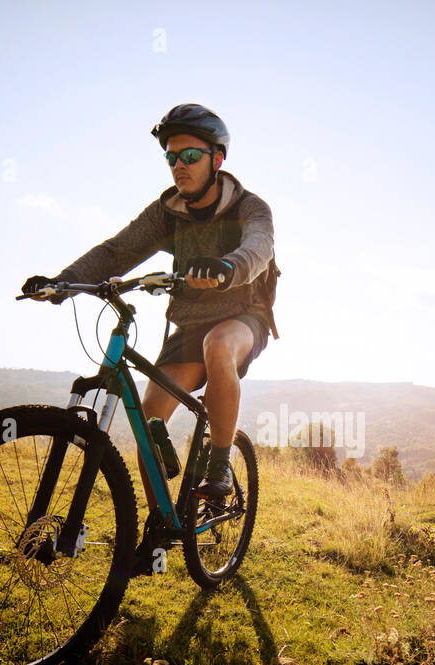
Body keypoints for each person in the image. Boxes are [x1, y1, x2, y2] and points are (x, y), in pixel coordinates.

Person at [21, 103, 278, 573]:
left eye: (190, 156)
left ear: (217, 159)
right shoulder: (169, 213)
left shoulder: (248, 207)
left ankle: (219, 466)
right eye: (171, 157)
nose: (179, 166)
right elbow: (118, 250)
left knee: (218, 348)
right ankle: (161, 528)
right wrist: (63, 281)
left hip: (244, 315)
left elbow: (259, 248)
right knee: (148, 421)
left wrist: (226, 268)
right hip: (189, 324)